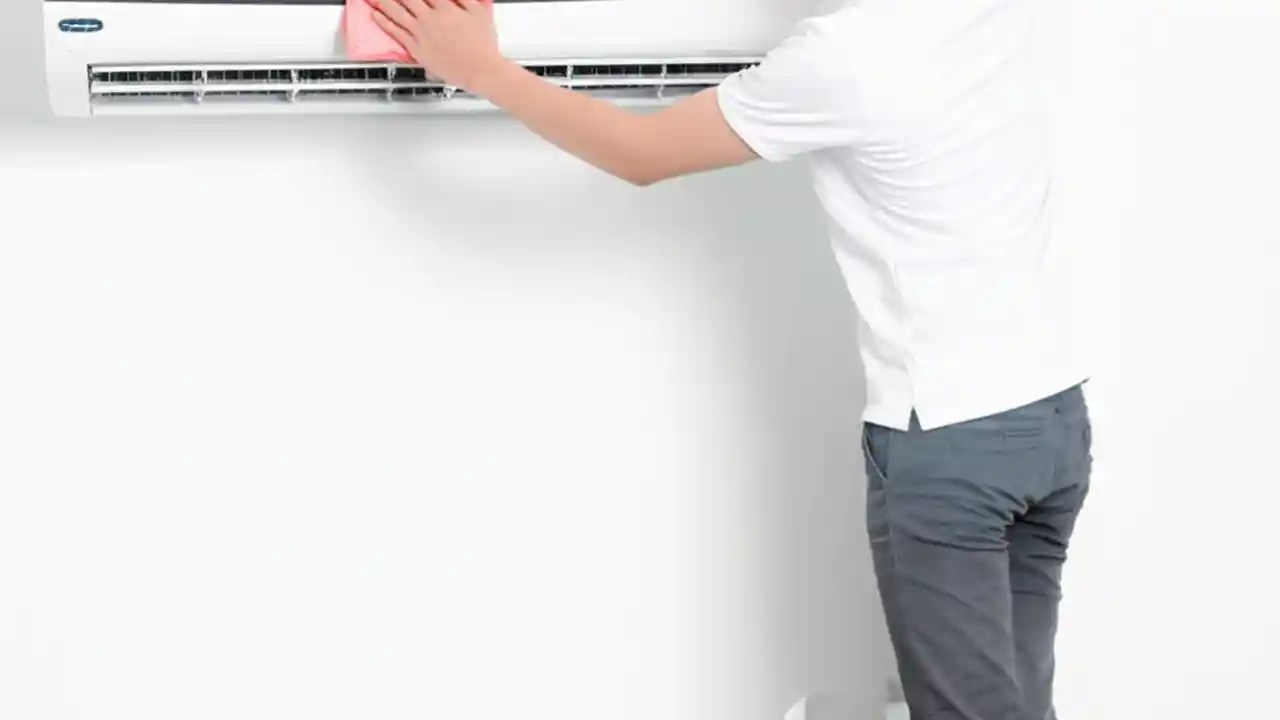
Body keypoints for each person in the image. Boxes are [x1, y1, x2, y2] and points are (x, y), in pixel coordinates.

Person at [370, 0, 1092, 718]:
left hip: (949, 443)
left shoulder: (848, 58)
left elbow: (642, 154)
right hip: (1052, 420)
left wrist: (481, 68)